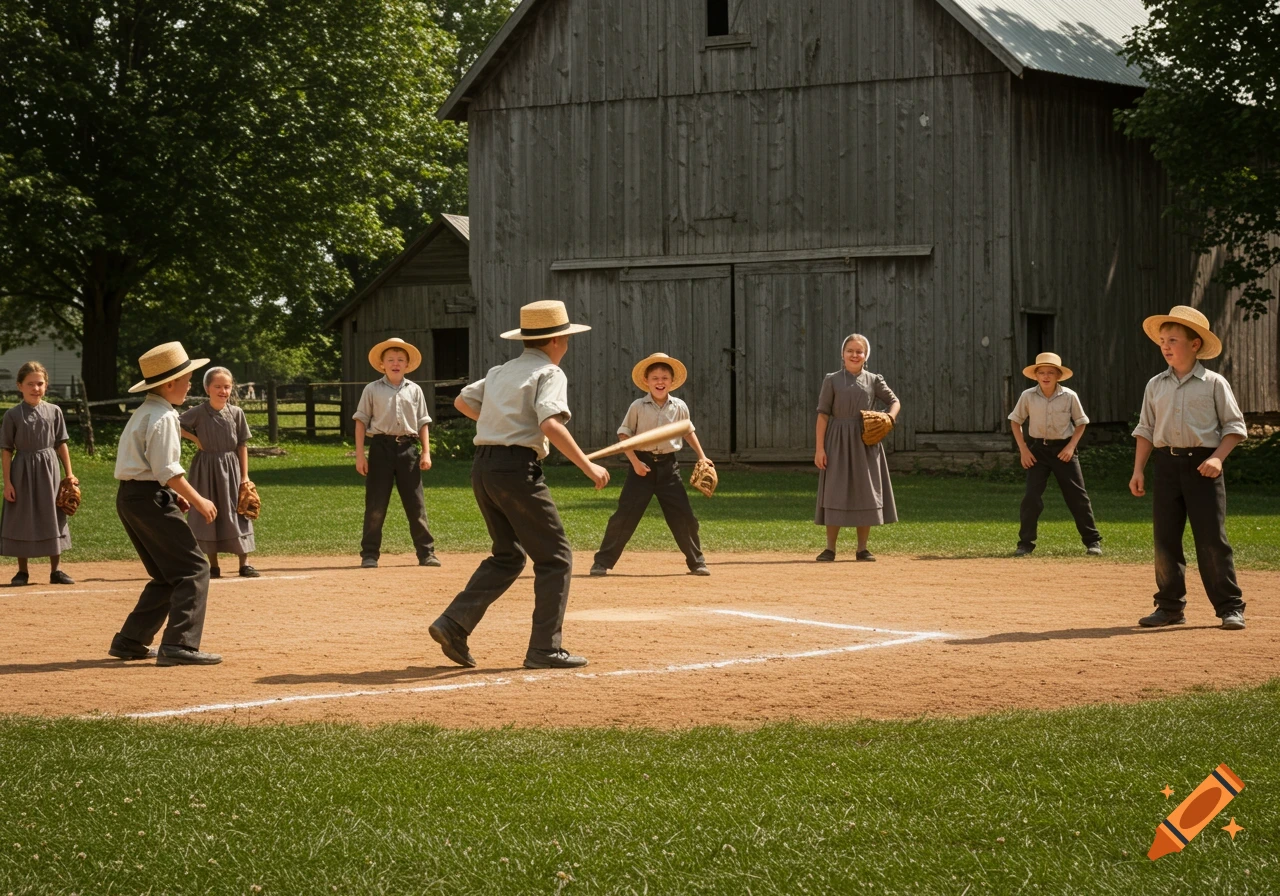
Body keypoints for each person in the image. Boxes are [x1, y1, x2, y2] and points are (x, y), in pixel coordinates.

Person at [429, 300, 609, 670]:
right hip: (515, 471)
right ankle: (544, 648)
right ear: (559, 340)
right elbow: (550, 425)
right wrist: (588, 466)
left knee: (508, 556)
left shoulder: (501, 370)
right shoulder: (550, 372)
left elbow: (463, 400)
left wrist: (501, 424)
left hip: (484, 468)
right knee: (556, 558)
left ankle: (454, 623)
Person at [1130, 305, 1248, 630]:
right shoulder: (1155, 385)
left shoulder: (1214, 383)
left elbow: (1235, 427)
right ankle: (1169, 607)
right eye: (1162, 340)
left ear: (1195, 344)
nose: (1165, 346)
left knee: (1212, 540)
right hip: (1166, 466)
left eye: (1173, 340)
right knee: (1165, 539)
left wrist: (1217, 458)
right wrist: (1138, 470)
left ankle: (1230, 608)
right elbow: (1145, 430)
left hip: (1203, 468)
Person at [108, 342, 222, 665]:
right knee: (194, 568)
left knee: (165, 573)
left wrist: (172, 495)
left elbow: (150, 468)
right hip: (148, 500)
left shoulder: (144, 412)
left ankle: (131, 640)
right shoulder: (165, 417)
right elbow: (167, 469)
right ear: (170, 384)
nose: (189, 385)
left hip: (131, 498)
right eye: (187, 379)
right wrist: (197, 499)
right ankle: (180, 644)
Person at [590, 352, 711, 576]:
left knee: (684, 516)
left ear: (671, 381)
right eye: (655, 377)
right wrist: (635, 462)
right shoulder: (637, 406)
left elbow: (688, 431)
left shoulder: (679, 406)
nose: (660, 381)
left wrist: (702, 457)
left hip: (669, 468)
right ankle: (602, 562)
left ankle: (697, 563)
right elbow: (625, 437)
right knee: (624, 516)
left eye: (664, 377)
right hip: (641, 467)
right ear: (646, 381)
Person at [352, 338, 437, 568]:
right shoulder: (372, 389)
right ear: (382, 364)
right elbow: (360, 421)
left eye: (400, 360)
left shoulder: (415, 390)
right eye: (390, 359)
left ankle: (426, 553)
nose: (395, 363)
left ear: (408, 365)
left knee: (416, 504)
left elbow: (423, 423)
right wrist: (360, 455)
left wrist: (426, 452)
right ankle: (370, 554)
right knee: (376, 505)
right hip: (380, 449)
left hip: (408, 449)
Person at [813, 333, 900, 562]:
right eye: (850, 350)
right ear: (842, 354)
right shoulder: (831, 380)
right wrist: (819, 449)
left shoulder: (873, 380)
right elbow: (823, 415)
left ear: (866, 355)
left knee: (866, 492)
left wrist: (889, 418)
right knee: (834, 491)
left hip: (865, 443)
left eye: (859, 351)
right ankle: (830, 548)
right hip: (838, 441)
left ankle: (862, 549)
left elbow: (894, 401)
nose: (855, 355)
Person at [1008, 352, 1102, 557]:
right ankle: (1025, 544)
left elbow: (1081, 423)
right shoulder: (1027, 396)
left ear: (1058, 375)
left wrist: (1070, 447)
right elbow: (1015, 421)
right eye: (1041, 372)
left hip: (1064, 451)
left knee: (1077, 496)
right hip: (1038, 451)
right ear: (1036, 375)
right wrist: (1023, 450)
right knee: (1031, 497)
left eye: (1051, 372)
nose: (1046, 376)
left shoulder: (1070, 396)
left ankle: (1092, 541)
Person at [1, 361, 78, 585]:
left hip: (49, 468)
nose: (36, 388)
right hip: (22, 469)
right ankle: (22, 571)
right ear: (20, 386)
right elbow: (6, 450)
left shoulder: (54, 411)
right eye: (30, 384)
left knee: (54, 514)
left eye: (40, 384)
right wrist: (7, 483)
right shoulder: (12, 415)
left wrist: (69, 474)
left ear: (46, 385)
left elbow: (61, 444)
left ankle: (56, 570)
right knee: (22, 516)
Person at [179, 367, 258, 577]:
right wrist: (195, 438)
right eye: (218, 386)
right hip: (205, 468)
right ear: (207, 388)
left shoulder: (236, 413)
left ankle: (245, 562)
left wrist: (245, 476)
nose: (223, 391)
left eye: (227, 386)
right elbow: (174, 424)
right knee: (208, 512)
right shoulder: (198, 411)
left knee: (238, 511)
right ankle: (212, 564)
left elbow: (242, 444)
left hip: (231, 467)